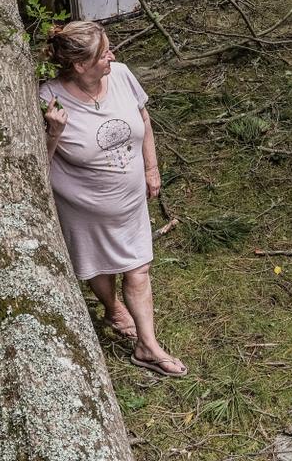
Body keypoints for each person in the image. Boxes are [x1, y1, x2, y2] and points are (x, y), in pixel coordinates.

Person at [39, 20, 188, 378]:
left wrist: (151, 168)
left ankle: (147, 345)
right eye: (104, 52)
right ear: (78, 65)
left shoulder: (120, 75)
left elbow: (144, 119)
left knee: (139, 267)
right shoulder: (47, 97)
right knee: (99, 267)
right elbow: (37, 167)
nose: (112, 55)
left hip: (130, 200)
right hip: (84, 208)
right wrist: (53, 132)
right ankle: (111, 306)